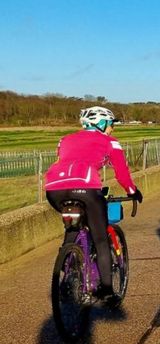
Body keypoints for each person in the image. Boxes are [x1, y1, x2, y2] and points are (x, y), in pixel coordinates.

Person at [44, 106, 144, 301]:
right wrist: (132, 191)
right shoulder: (110, 142)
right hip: (87, 188)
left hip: (54, 189)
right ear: (101, 123)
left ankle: (68, 268)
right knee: (100, 238)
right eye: (111, 124)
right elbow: (122, 173)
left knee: (72, 229)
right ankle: (106, 290)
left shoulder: (64, 140)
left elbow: (62, 161)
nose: (112, 128)